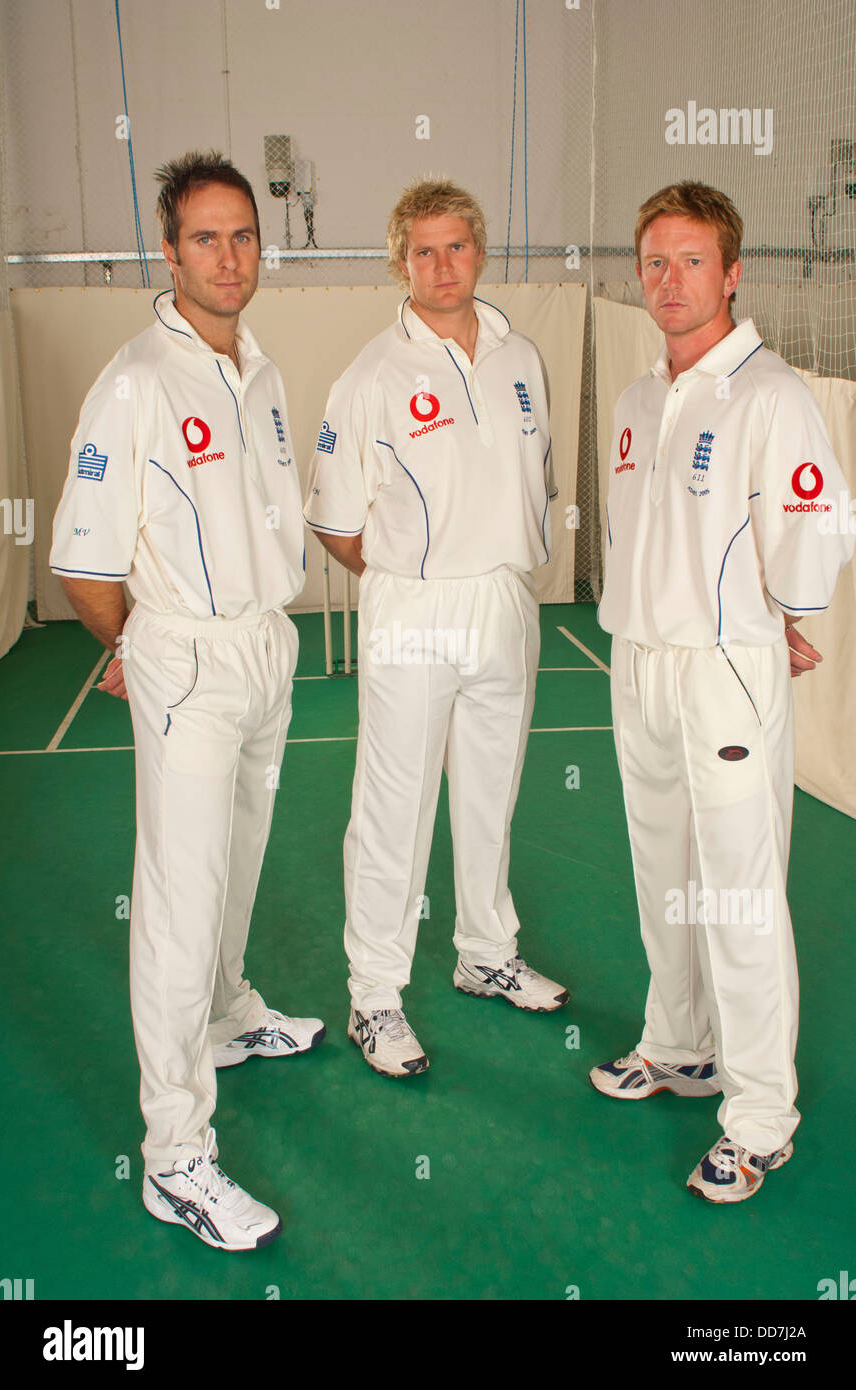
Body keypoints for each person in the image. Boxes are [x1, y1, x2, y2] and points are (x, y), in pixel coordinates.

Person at [49, 151, 325, 1250]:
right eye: (205, 238)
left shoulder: (259, 367)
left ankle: (224, 1013)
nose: (228, 256)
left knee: (240, 859)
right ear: (169, 252)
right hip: (187, 662)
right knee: (174, 897)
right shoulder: (133, 381)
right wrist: (144, 645)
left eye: (243, 236)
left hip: (265, 647)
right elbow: (82, 561)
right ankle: (176, 1155)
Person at [591, 181, 854, 1202]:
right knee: (664, 870)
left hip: (724, 671)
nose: (666, 280)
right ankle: (678, 1043)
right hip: (639, 662)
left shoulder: (770, 395)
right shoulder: (635, 397)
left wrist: (774, 616)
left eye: (689, 260)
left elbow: (820, 529)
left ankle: (758, 1116)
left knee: (740, 895)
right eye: (651, 261)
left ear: (731, 273)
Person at [304, 177, 568, 1079]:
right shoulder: (371, 376)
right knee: (393, 808)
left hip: (502, 600)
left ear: (479, 251)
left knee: (489, 794)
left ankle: (484, 952)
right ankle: (373, 996)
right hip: (413, 607)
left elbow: (535, 479)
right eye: (423, 250)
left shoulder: (520, 356)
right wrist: (407, 582)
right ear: (399, 262)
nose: (442, 264)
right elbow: (337, 524)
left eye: (456, 246)